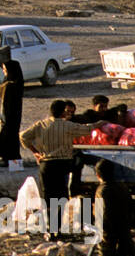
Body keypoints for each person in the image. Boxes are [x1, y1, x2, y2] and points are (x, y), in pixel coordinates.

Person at [21, 99, 92, 240]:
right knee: (61, 198)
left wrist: (35, 151)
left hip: (46, 165)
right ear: (63, 111)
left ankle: (50, 230)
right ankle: (57, 229)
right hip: (63, 165)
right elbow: (87, 130)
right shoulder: (67, 126)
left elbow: (23, 136)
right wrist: (100, 124)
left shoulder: (41, 124)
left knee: (47, 199)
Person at [0, 60, 25, 169]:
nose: (4, 72)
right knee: (9, 139)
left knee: (9, 139)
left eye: (5, 70)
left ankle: (14, 164)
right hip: (12, 116)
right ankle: (11, 164)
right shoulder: (16, 83)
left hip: (9, 116)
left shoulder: (10, 86)